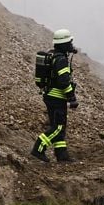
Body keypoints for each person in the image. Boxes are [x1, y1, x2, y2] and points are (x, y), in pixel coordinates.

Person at [30, 28, 79, 162]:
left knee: (58, 127)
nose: (71, 45)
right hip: (57, 98)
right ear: (63, 44)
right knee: (58, 127)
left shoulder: (53, 55)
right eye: (69, 42)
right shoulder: (61, 59)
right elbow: (64, 81)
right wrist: (72, 98)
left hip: (51, 96)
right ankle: (38, 148)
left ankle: (61, 155)